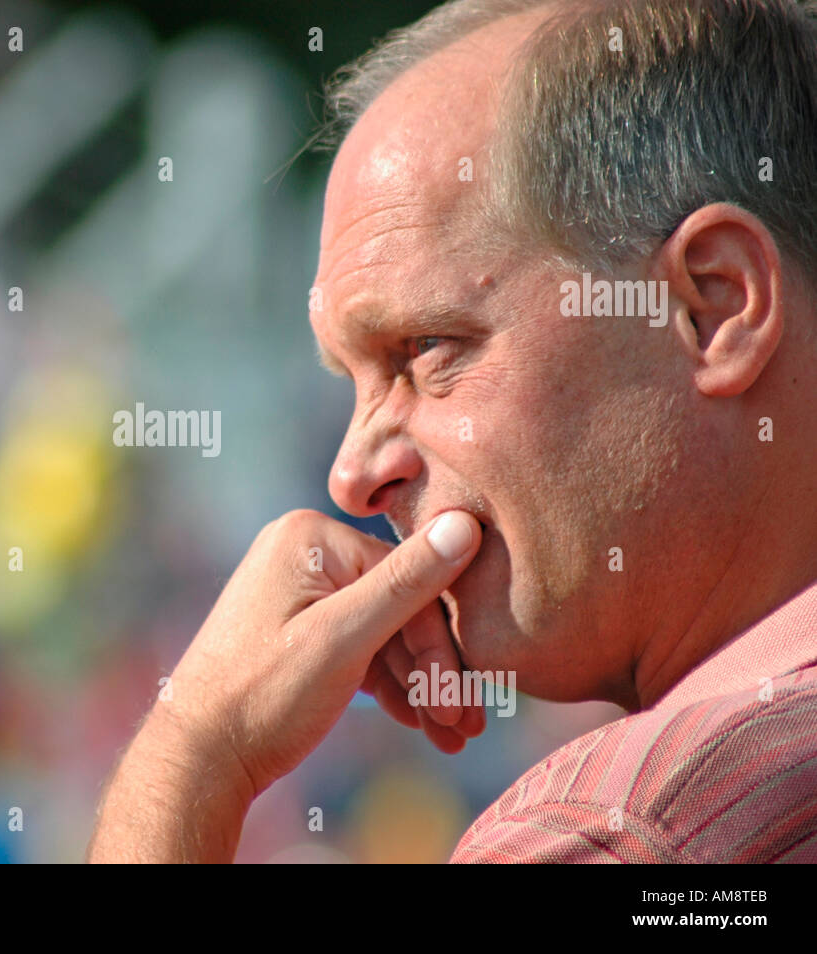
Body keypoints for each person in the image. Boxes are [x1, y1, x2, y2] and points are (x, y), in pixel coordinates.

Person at [88, 0, 817, 863]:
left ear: (715, 308)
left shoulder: (621, 828)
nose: (352, 476)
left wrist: (196, 755)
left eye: (426, 348)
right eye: (352, 382)